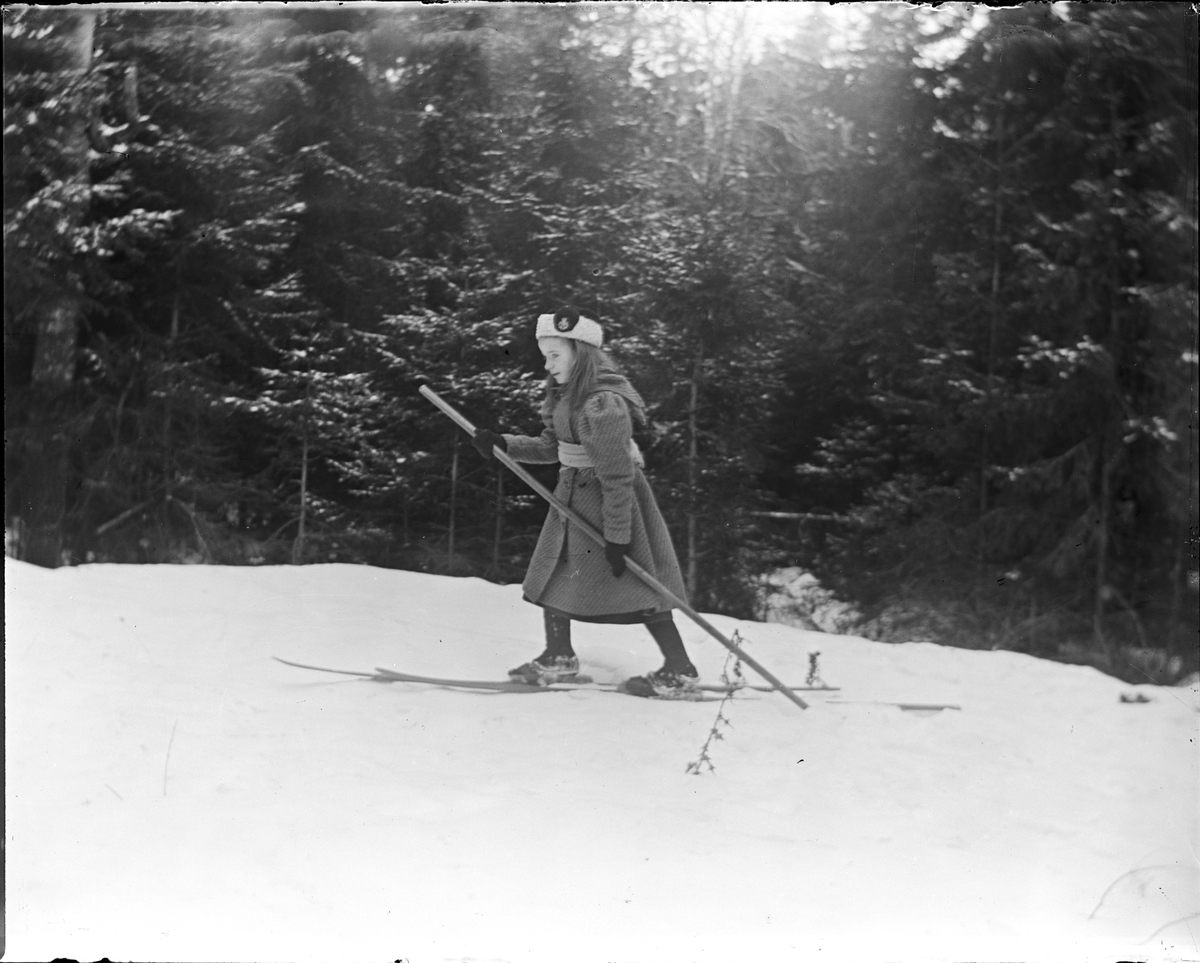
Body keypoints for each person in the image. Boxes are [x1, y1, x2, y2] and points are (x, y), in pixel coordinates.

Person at [471, 307, 699, 697]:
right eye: (545, 355)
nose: (548, 364)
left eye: (555, 355)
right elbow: (550, 448)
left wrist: (618, 535)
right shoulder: (564, 398)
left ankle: (680, 667)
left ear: (582, 353)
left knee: (636, 578)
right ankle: (558, 654)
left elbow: (616, 475)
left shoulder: (603, 404)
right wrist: (503, 444)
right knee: (558, 570)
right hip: (571, 499)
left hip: (612, 503)